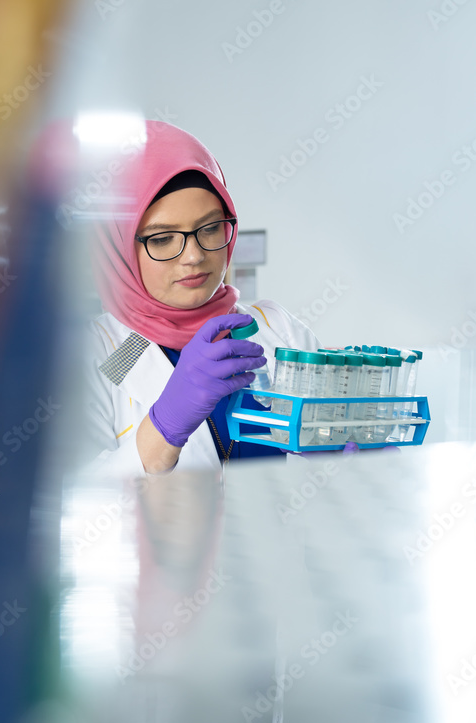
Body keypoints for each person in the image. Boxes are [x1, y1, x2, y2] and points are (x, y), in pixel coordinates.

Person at [85, 121, 322, 476]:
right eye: (162, 238)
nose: (194, 256)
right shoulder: (102, 353)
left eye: (210, 228)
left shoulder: (276, 328)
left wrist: (357, 463)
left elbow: (328, 468)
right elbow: (77, 508)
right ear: (118, 247)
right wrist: (164, 428)